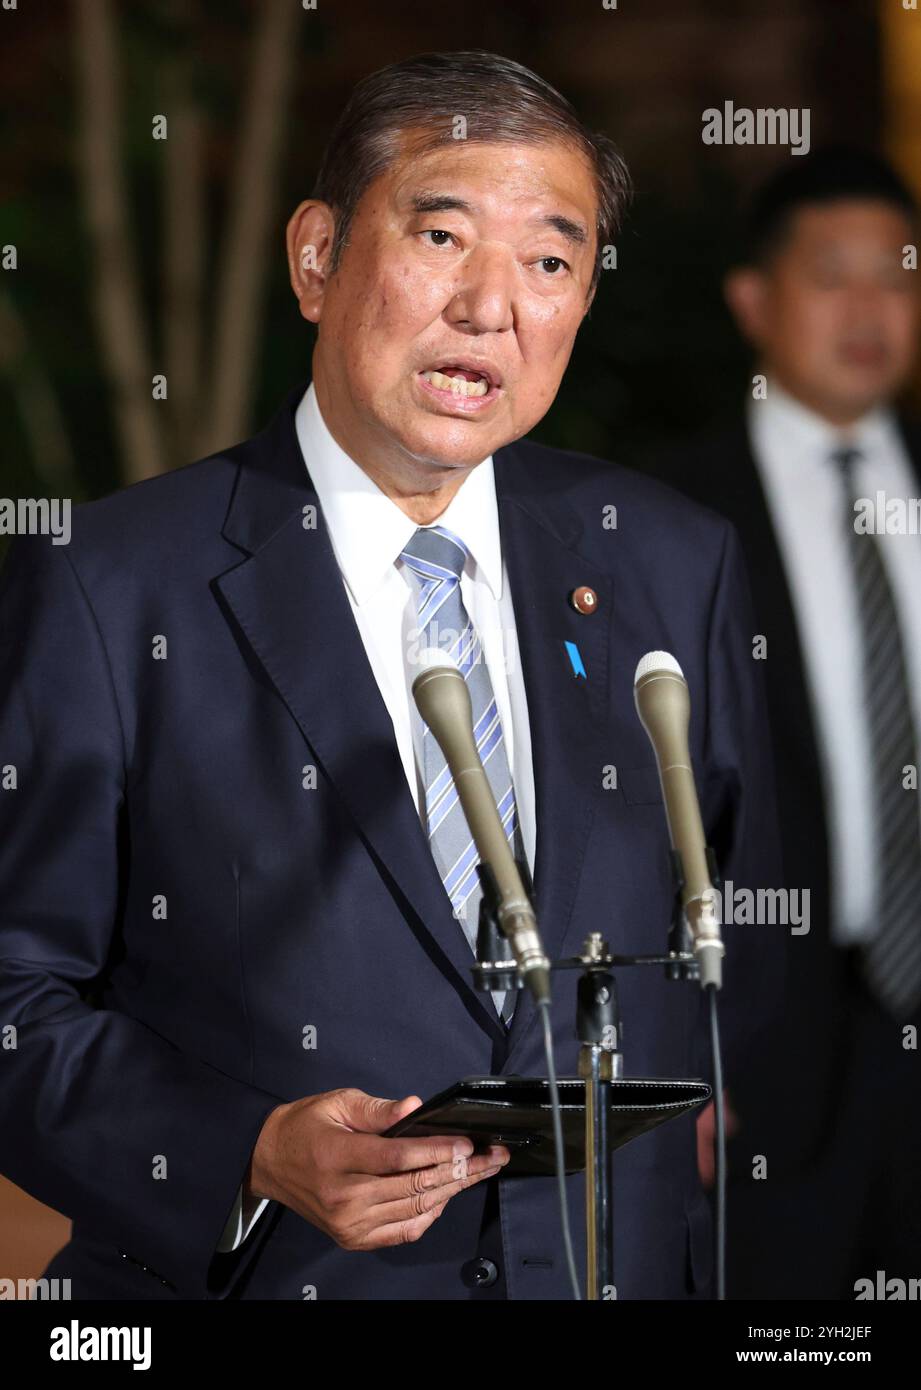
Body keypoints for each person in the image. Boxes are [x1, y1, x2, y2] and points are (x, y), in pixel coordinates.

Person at [0, 50, 781, 1301]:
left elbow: (740, 911)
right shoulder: (111, 585)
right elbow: (13, 994)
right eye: (441, 235)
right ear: (317, 259)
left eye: (550, 260)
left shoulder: (667, 562)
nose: (492, 306)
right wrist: (245, 1151)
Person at [644, 147, 921, 1299]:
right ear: (755, 300)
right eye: (833, 275)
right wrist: (675, 1060)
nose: (870, 309)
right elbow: (637, 808)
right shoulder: (668, 516)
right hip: (762, 1051)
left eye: (898, 277)